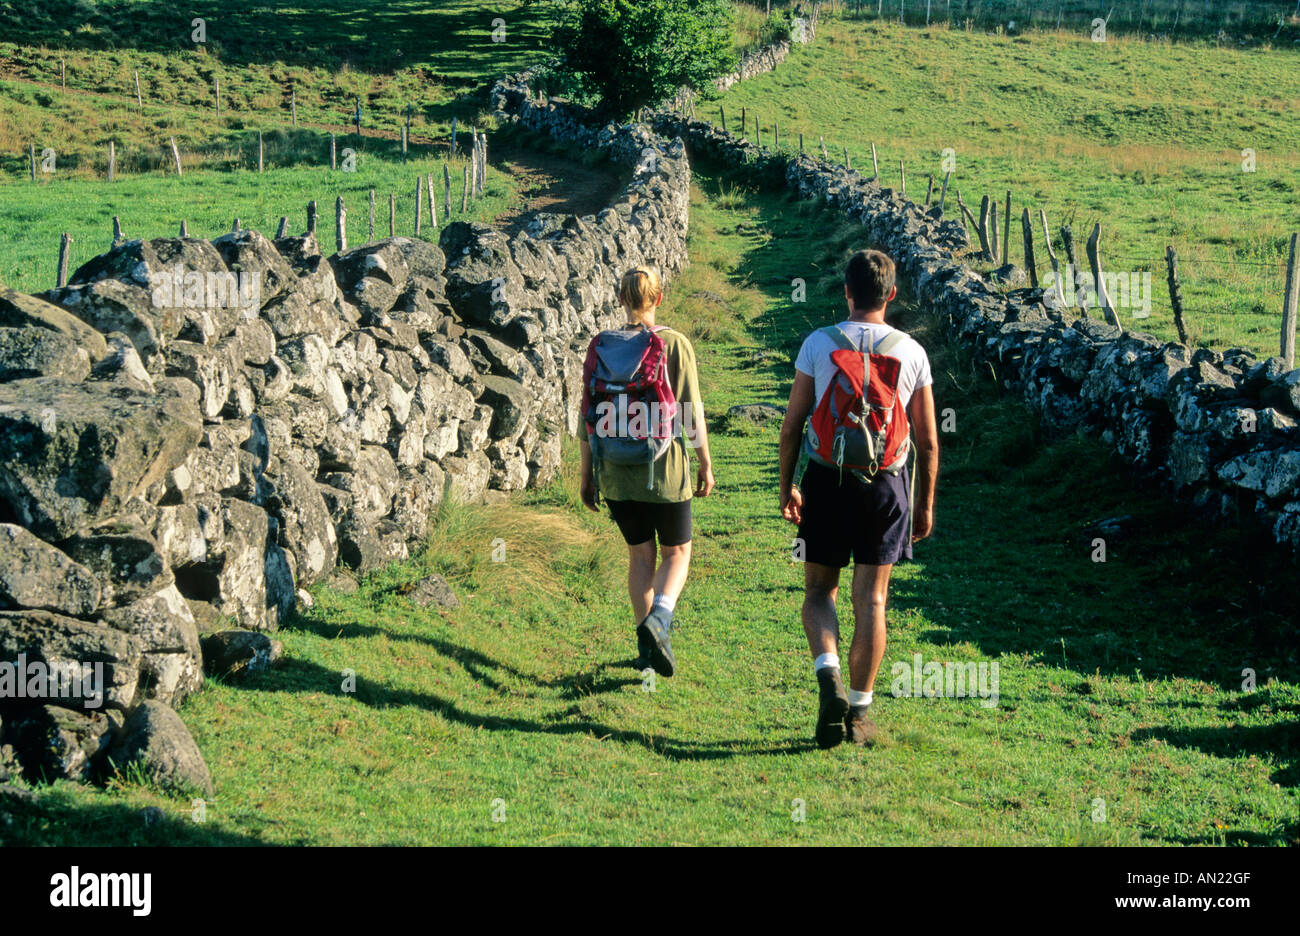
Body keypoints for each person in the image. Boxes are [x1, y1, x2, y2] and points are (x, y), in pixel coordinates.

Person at [778, 249, 939, 749]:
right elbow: (929, 441)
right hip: (887, 487)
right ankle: (860, 713)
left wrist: (787, 486)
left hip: (826, 480)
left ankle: (829, 681)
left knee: (818, 591)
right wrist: (924, 505)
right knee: (872, 598)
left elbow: (793, 426)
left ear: (846, 291)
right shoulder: (911, 352)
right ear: (891, 295)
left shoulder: (817, 344)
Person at [580, 266, 715, 677]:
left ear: (621, 299)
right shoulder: (674, 344)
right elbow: (690, 411)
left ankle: (645, 649)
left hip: (616, 472)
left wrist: (587, 477)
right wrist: (705, 461)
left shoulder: (601, 345)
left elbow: (586, 417)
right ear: (658, 298)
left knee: (640, 556)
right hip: (666, 470)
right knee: (677, 553)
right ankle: (660, 618)